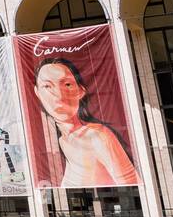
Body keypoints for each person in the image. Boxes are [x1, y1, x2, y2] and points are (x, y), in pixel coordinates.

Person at [32, 57, 138, 187]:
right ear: (37, 92)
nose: (58, 95)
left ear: (81, 91)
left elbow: (132, 182)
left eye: (67, 84)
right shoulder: (60, 141)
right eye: (47, 86)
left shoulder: (96, 135)